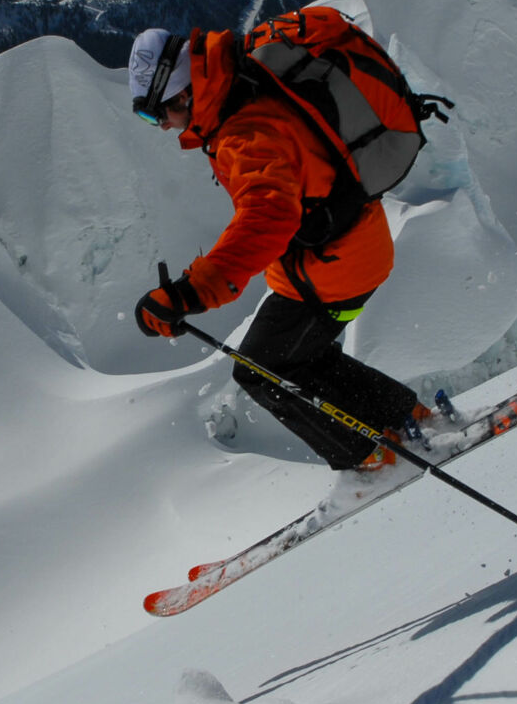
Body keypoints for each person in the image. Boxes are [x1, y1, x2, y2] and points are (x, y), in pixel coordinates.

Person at [127, 24, 430, 471]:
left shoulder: (244, 130)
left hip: (337, 270)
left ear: (183, 95)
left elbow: (269, 217)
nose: (164, 127)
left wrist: (190, 293)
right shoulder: (241, 85)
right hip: (343, 253)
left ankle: (372, 461)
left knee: (262, 370)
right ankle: (407, 421)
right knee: (298, 358)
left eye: (158, 116)